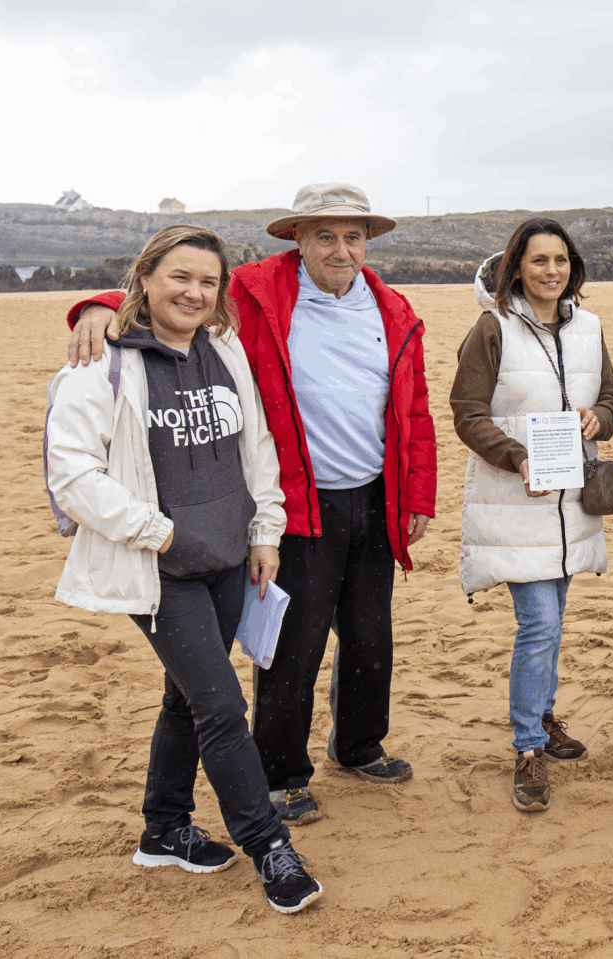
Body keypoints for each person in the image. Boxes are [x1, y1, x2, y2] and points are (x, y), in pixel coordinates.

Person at [63, 184, 437, 825]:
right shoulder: (257, 290)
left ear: (367, 242)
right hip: (298, 500)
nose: (340, 250)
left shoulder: (392, 307)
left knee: (371, 634)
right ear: (299, 238)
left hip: (377, 494)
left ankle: (358, 746)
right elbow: (179, 293)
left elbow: (415, 407)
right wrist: (96, 308)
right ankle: (282, 775)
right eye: (325, 236)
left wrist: (418, 493)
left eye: (352, 237)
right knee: (294, 641)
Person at [46, 225, 322, 914]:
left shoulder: (223, 347)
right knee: (223, 705)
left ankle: (164, 828)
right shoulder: (101, 364)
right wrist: (161, 532)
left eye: (207, 281)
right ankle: (269, 845)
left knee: (187, 696)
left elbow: (256, 444)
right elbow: (72, 474)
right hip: (161, 570)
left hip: (230, 559)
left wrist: (265, 531)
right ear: (145, 277)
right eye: (179, 277)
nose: (194, 292)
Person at [450, 219, 613, 812]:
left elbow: (610, 396)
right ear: (516, 268)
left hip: (573, 504)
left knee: (555, 619)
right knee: (541, 624)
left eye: (561, 260)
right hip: (515, 502)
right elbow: (467, 412)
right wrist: (516, 456)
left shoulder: (589, 326)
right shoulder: (492, 327)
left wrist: (600, 417)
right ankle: (528, 747)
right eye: (539, 260)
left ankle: (544, 719)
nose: (552, 271)